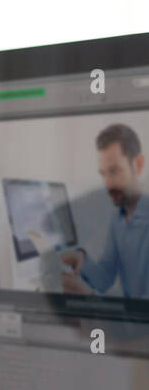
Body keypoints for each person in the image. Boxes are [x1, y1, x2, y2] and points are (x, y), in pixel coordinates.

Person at [61, 123, 149, 297]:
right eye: (103, 174)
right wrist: (81, 258)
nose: (108, 184)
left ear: (138, 165)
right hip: (128, 323)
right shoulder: (118, 219)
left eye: (114, 171)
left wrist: (92, 300)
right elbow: (105, 278)